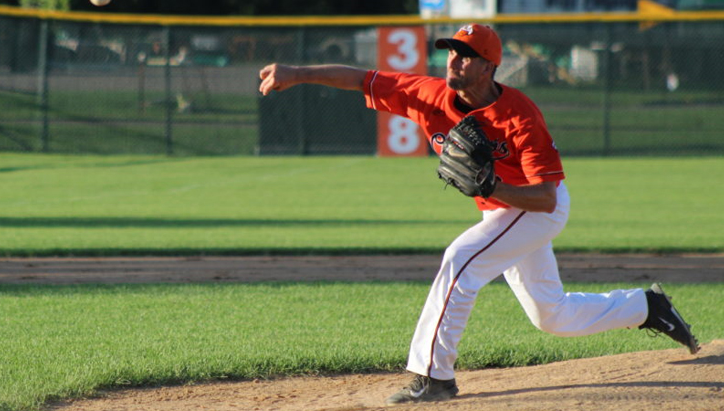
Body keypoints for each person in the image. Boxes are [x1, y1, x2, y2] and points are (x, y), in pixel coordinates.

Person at [258, 23, 698, 405]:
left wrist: (494, 187)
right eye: (451, 51)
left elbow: (546, 198)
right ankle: (646, 305)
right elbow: (361, 79)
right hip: (503, 213)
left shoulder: (519, 116)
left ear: (489, 67)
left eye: (466, 55)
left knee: (460, 261)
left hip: (536, 206)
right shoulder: (429, 95)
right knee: (552, 316)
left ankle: (434, 377)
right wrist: (296, 74)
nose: (454, 60)